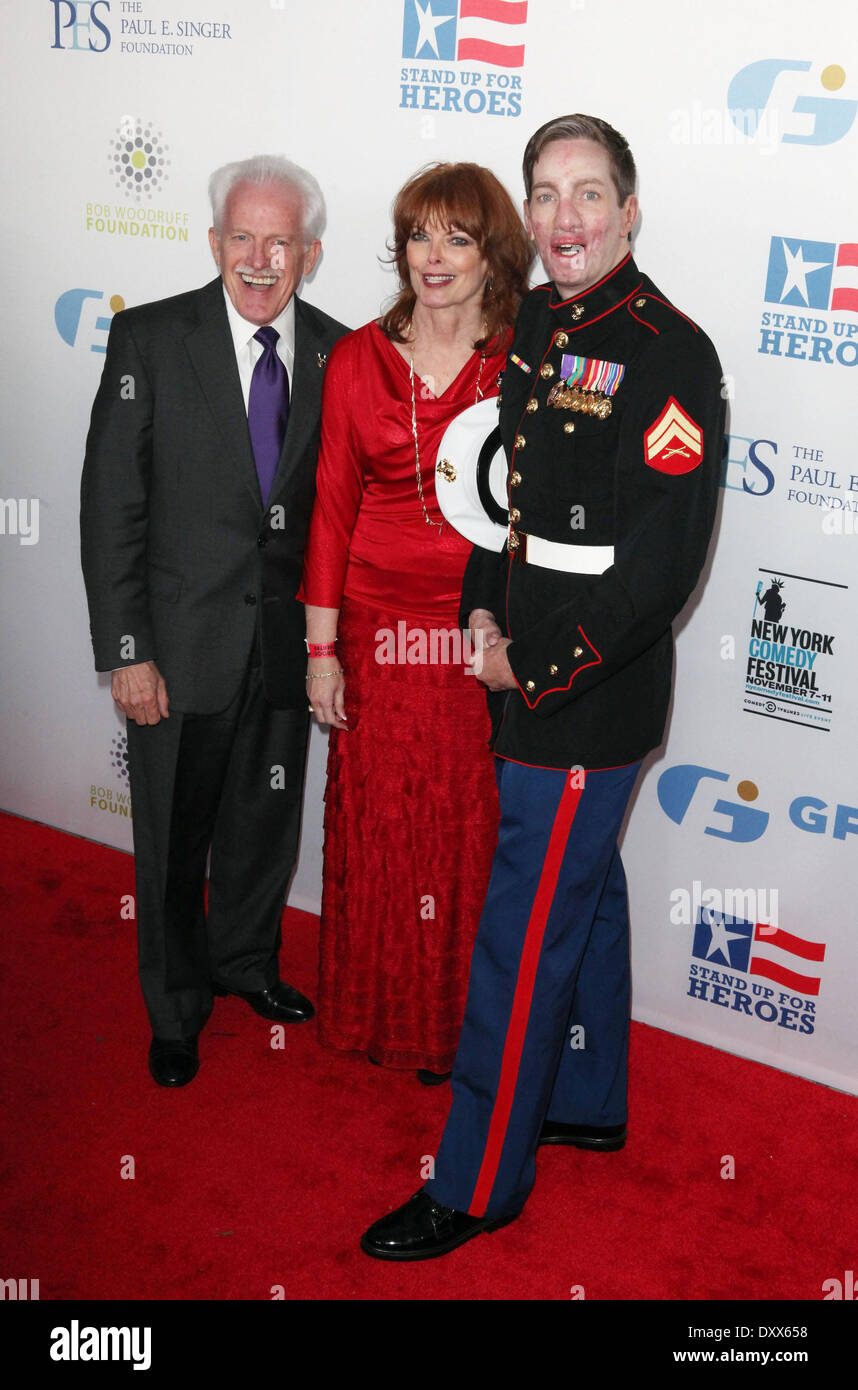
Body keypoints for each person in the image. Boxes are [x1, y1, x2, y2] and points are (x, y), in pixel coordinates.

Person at [361, 115, 726, 1258]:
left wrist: (538, 663)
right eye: (547, 195)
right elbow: (505, 499)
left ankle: (475, 1182)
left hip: (587, 695)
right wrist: (481, 604)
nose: (565, 219)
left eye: (589, 194)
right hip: (516, 669)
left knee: (519, 938)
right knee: (590, 894)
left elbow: (659, 567)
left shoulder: (671, 352)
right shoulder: (538, 328)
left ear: (628, 209)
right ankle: (586, 1098)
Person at [80, 155, 349, 1087]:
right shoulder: (149, 341)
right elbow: (111, 503)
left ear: (310, 253)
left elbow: (342, 511)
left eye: (282, 242)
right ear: (214, 242)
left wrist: (332, 646)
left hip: (283, 650)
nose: (262, 259)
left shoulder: (336, 351)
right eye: (245, 237)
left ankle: (245, 964)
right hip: (178, 652)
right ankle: (177, 1006)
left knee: (262, 823)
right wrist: (128, 650)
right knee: (172, 839)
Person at [300, 163, 532, 1083]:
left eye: (458, 239)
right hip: (375, 626)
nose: (433, 258)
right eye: (418, 236)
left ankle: (456, 1029)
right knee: (383, 829)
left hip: (475, 633)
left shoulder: (521, 360)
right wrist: (322, 654)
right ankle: (376, 1009)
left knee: (465, 828)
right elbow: (328, 513)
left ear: (491, 255)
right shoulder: (357, 358)